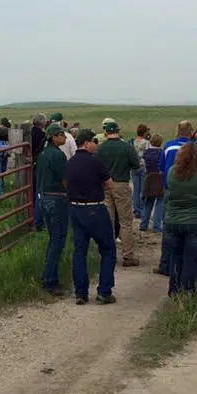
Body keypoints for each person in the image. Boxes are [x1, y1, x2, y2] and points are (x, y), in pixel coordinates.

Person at [65, 129, 117, 305]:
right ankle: (104, 291)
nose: (96, 144)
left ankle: (80, 293)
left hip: (76, 209)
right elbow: (109, 184)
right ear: (87, 143)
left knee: (80, 251)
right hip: (95, 209)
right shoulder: (95, 162)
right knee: (108, 249)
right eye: (94, 140)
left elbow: (66, 183)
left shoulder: (70, 162)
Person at [163, 142, 197, 296]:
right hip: (195, 221)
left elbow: (168, 188)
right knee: (191, 259)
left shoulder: (171, 172)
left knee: (175, 257)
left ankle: (174, 290)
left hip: (173, 221)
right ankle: (188, 290)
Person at [154, 120, 197, 275]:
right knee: (189, 229)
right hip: (191, 194)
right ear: (190, 131)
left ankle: (165, 264)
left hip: (170, 190)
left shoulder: (168, 146)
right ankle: (184, 266)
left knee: (169, 229)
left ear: (177, 130)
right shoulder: (195, 148)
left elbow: (160, 170)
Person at [97, 121, 141, 267]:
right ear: (118, 131)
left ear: (106, 133)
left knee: (108, 221)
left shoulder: (101, 148)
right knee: (125, 222)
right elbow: (136, 165)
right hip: (121, 184)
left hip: (105, 185)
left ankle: (108, 255)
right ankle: (128, 256)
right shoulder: (126, 147)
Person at [37, 124, 69, 296]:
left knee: (53, 239)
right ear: (54, 137)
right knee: (58, 240)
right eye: (62, 135)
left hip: (44, 198)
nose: (64, 137)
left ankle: (50, 277)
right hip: (57, 198)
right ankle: (49, 280)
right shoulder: (58, 155)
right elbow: (66, 180)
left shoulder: (43, 154)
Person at [140, 134, 165, 232]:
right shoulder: (162, 153)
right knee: (159, 202)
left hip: (149, 177)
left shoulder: (146, 153)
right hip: (159, 178)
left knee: (148, 202)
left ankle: (143, 224)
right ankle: (157, 226)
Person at [131, 124, 151, 218]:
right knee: (143, 189)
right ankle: (142, 209)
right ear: (144, 132)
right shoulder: (146, 142)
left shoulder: (133, 141)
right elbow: (148, 154)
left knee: (136, 189)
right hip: (143, 167)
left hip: (134, 167)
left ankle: (136, 209)